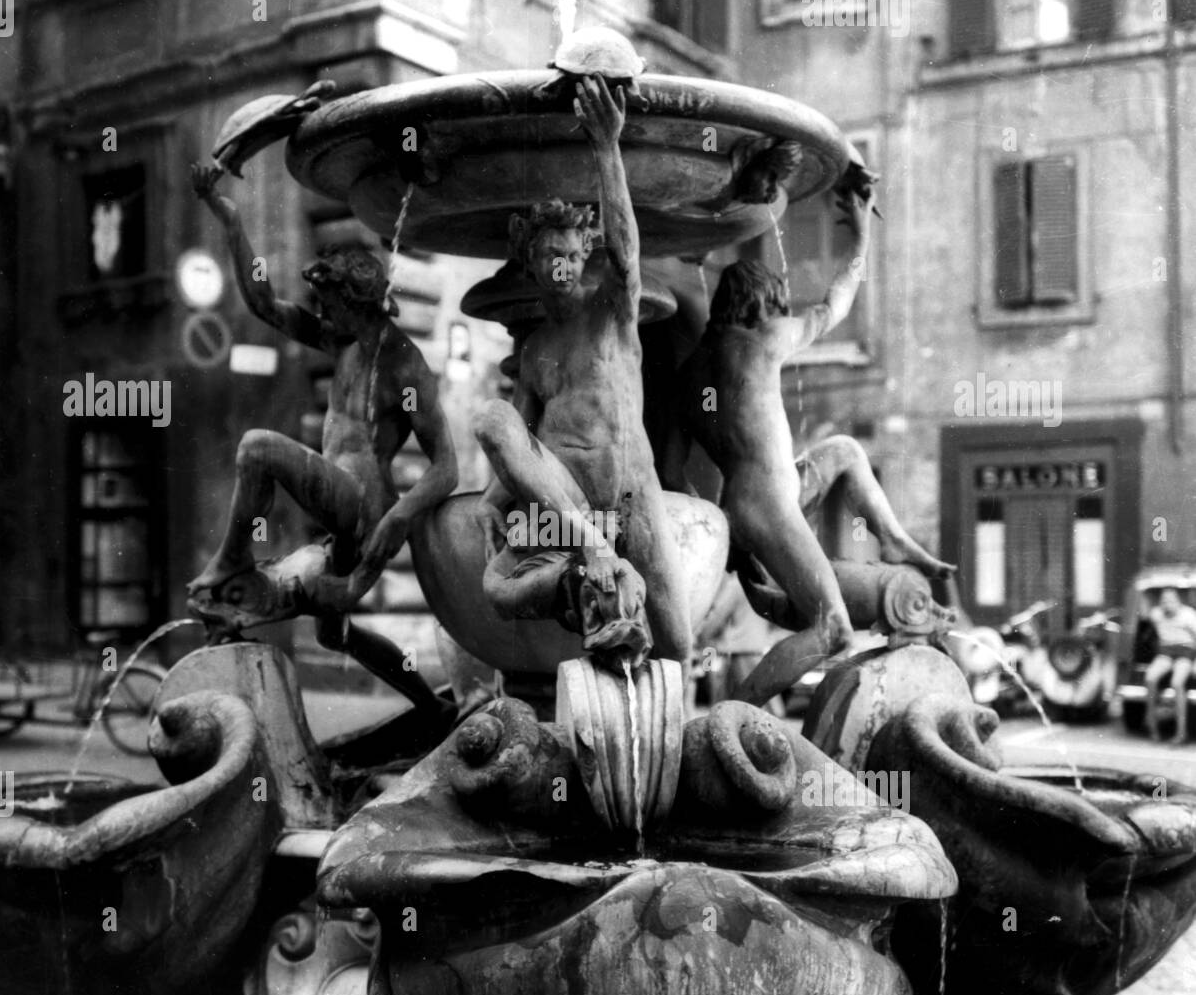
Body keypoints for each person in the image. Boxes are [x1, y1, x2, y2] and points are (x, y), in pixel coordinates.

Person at [669, 193, 953, 704]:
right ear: (762, 303)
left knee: (844, 449)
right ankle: (736, 714)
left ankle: (892, 539)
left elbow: (672, 474)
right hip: (772, 505)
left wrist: (721, 529)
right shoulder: (763, 339)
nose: (782, 313)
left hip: (747, 502)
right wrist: (861, 238)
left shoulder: (689, 376)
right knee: (833, 628)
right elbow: (833, 306)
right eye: (778, 304)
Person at [472, 74, 692, 664]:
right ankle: (589, 564)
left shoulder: (612, 312)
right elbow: (515, 440)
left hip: (631, 491)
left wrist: (607, 147)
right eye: (551, 255)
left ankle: (597, 582)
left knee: (679, 645)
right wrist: (491, 503)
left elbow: (627, 251)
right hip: (569, 504)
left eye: (573, 255)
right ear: (531, 262)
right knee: (496, 583)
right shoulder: (535, 350)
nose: (564, 267)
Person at [186, 164, 458, 618]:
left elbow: (446, 467)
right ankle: (411, 682)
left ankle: (232, 558)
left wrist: (400, 516)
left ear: (355, 303)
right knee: (332, 633)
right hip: (340, 510)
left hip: (365, 508)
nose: (323, 314)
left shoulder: (404, 364)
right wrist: (232, 223)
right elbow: (265, 304)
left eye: (330, 305)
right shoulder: (342, 341)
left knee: (256, 447)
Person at [1144, 587, 1196, 743]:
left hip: (1185, 652)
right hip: (1166, 652)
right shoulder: (1156, 614)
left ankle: (1181, 732)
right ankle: (1152, 724)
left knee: (1177, 683)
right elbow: (1144, 611)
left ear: (1178, 601)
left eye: (1171, 601)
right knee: (1150, 678)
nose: (1167, 604)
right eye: (1164, 601)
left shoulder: (1188, 615)